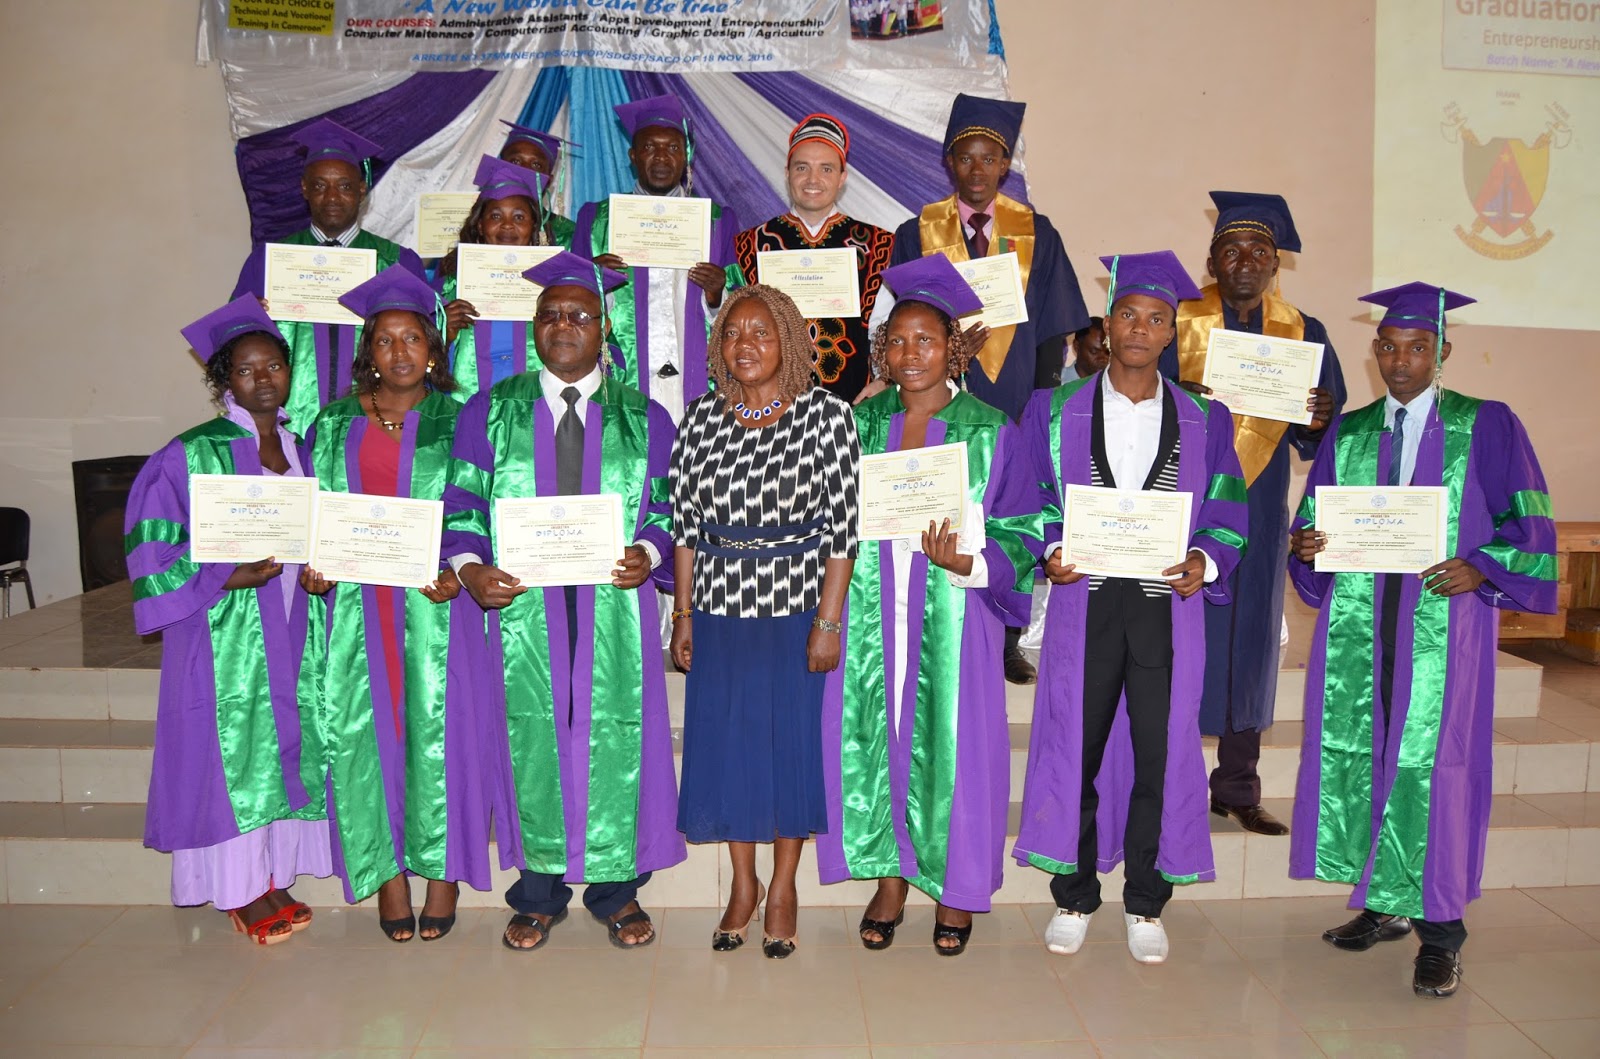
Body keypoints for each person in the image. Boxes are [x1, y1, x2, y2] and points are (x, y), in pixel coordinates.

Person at [1289, 282, 1557, 999]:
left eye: (1418, 348)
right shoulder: (1348, 432)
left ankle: (1441, 932)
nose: (1402, 360)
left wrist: (1483, 566)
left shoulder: (1488, 424)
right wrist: (1308, 545)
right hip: (1363, 625)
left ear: (1443, 351)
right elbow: (1313, 527)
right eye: (1391, 347)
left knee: (1435, 769)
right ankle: (1384, 902)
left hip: (1444, 627)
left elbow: (1528, 526)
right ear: (1374, 352)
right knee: (1371, 755)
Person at [443, 251, 683, 953]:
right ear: (534, 327)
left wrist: (653, 552)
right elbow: (460, 504)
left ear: (604, 326)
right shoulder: (490, 410)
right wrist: (470, 566)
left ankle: (616, 889)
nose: (564, 325)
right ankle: (539, 889)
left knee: (615, 729)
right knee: (531, 732)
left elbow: (670, 509)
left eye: (579, 314)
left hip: (613, 600)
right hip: (521, 608)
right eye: (550, 315)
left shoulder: (646, 416)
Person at [1013, 252, 1248, 965]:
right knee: (1075, 750)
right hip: (1085, 605)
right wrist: (1049, 546)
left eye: (1155, 319)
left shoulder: (1205, 416)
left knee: (1159, 751)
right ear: (1106, 324)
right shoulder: (1053, 409)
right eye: (1127, 315)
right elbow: (1028, 498)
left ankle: (1146, 899)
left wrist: (1204, 560)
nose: (1139, 329)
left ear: (1172, 331)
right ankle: (1075, 893)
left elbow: (1228, 507)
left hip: (1164, 609)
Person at [819, 256, 1041, 955]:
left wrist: (971, 560)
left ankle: (954, 887)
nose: (911, 353)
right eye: (898, 340)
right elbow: (833, 518)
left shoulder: (990, 428)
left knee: (954, 748)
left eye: (927, 339)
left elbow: (1025, 527)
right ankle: (889, 879)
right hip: (871, 610)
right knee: (875, 739)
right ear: (881, 350)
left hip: (953, 610)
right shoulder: (859, 422)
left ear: (954, 348)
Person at [299, 265, 502, 942]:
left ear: (434, 349)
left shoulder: (463, 417)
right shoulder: (329, 424)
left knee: (441, 735)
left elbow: (482, 506)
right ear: (368, 352)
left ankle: (441, 873)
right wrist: (316, 566)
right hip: (358, 609)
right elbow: (312, 515)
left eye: (412, 338)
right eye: (384, 341)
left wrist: (459, 566)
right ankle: (388, 875)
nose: (400, 352)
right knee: (367, 735)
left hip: (436, 606)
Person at [127, 295, 332, 945]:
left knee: (285, 746)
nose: (263, 378)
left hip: (294, 622)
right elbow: (150, 550)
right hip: (226, 632)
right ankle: (237, 888)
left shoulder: (302, 449)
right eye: (246, 370)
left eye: (273, 365)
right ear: (223, 380)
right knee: (235, 753)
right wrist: (220, 575)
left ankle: (269, 875)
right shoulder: (191, 453)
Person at [670, 284, 860, 959]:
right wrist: (683, 613)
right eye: (731, 333)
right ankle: (743, 885)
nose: (744, 344)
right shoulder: (700, 418)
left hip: (794, 608)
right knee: (727, 749)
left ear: (788, 341)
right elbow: (685, 526)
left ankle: (783, 888)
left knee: (787, 749)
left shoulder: (826, 417)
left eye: (760, 332)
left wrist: (828, 622)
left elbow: (843, 531)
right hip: (720, 608)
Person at [884, 93, 1090, 685]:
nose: (978, 170)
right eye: (965, 158)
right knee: (946, 513)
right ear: (950, 163)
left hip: (1017, 400)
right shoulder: (917, 231)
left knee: (1008, 517)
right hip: (942, 403)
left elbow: (1054, 326)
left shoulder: (1037, 233)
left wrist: (1042, 400)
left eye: (990, 158)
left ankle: (1005, 638)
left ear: (1005, 163)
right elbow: (907, 328)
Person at [1158, 191, 1346, 837]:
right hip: (1185, 505)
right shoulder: (1175, 321)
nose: (1245, 260)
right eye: (1231, 249)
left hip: (1262, 509)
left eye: (1259, 251)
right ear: (1211, 260)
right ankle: (1172, 779)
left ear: (1275, 265)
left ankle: (1237, 785)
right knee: (1180, 645)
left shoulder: (1306, 332)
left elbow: (1322, 438)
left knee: (1250, 645)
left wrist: (1318, 421)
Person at [232, 119, 425, 431]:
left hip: (376, 421)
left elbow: (425, 348)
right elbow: (233, 348)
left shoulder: (398, 262)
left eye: (345, 186)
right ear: (304, 189)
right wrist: (248, 320)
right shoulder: (267, 261)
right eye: (320, 186)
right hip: (288, 422)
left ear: (362, 190)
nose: (332, 197)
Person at [575, 94, 740, 423]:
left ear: (686, 157)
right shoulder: (596, 221)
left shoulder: (718, 221)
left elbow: (743, 310)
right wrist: (594, 283)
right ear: (632, 155)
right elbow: (571, 307)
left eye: (673, 148)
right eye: (650, 148)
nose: (662, 157)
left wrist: (717, 293)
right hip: (620, 374)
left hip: (700, 377)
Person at [734, 114, 895, 402]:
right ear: (787, 173)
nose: (813, 180)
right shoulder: (750, 244)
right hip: (769, 407)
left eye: (826, 169)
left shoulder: (876, 245)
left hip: (852, 404)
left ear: (842, 178)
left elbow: (883, 326)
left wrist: (884, 380)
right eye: (802, 168)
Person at [437, 155, 558, 400]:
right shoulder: (450, 283)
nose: (507, 226)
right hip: (466, 401)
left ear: (534, 226)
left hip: (538, 404)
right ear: (480, 225)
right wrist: (442, 332)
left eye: (519, 217)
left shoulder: (554, 284)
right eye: (495, 216)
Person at [496, 119, 578, 247]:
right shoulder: (481, 226)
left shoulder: (569, 235)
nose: (525, 171)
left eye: (536, 165)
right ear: (498, 170)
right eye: (515, 162)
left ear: (549, 180)